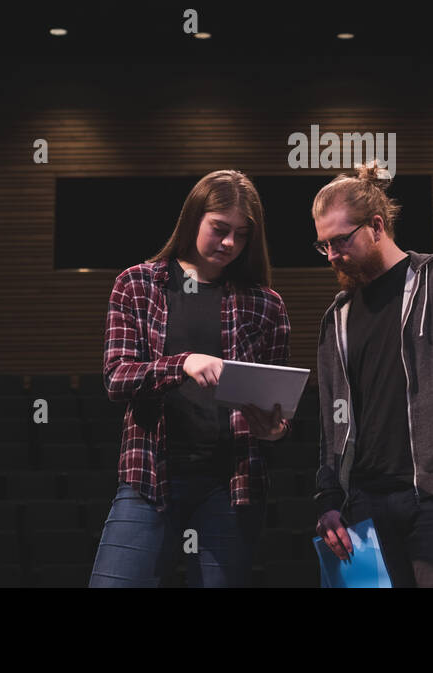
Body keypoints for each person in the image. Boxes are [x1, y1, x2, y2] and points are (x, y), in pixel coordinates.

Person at [89, 170, 292, 587]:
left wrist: (274, 430)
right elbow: (116, 378)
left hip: (230, 483)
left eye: (241, 234)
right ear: (192, 220)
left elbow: (278, 404)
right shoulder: (137, 284)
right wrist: (180, 363)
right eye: (219, 229)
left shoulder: (265, 304)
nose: (230, 243)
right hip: (150, 475)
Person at [312, 161, 433, 587]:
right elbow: (332, 420)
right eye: (323, 245)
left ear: (377, 225)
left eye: (340, 241)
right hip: (362, 507)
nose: (332, 255)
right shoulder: (336, 318)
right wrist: (328, 497)